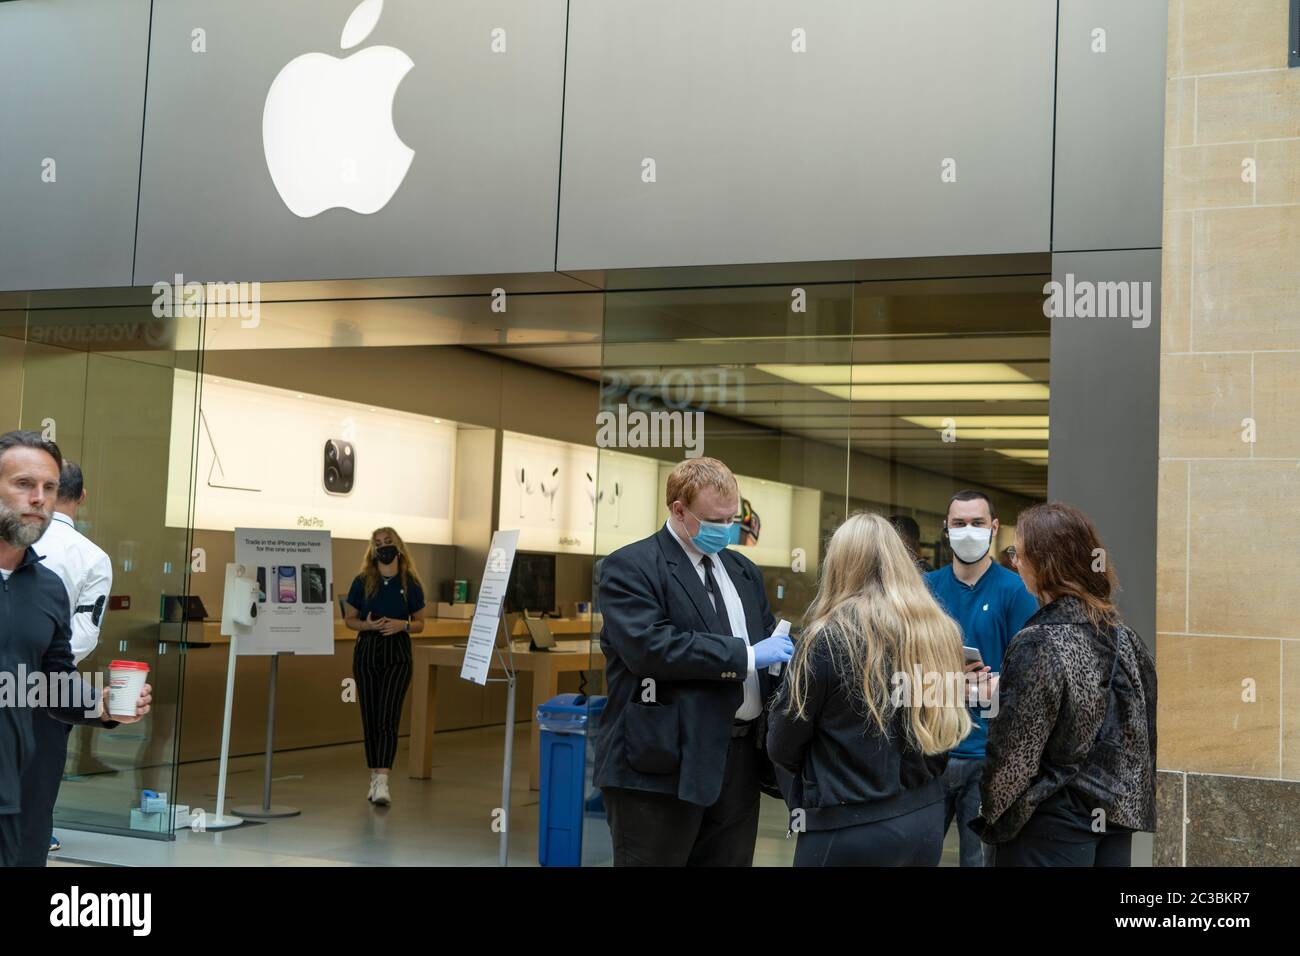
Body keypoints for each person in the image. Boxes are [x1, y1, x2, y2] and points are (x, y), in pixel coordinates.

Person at [594, 457, 793, 866]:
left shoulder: (742, 570)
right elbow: (650, 647)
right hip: (663, 763)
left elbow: (768, 636)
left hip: (736, 759)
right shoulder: (631, 567)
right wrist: (748, 656)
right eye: (713, 520)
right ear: (678, 509)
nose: (725, 528)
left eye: (732, 518)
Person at [766, 513, 970, 866]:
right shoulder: (938, 633)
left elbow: (783, 743)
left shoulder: (827, 638)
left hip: (847, 826)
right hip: (922, 821)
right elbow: (942, 737)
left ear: (839, 566)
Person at [971, 502, 1157, 866]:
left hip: (1049, 824)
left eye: (1018, 553)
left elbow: (1014, 753)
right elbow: (1142, 734)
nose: (1015, 563)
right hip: (1113, 820)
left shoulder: (1039, 641)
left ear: (1044, 563)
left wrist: (994, 815)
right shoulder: (1126, 637)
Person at [0, 431, 151, 867]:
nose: (38, 499)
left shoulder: (46, 588)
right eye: (24, 484)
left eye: (48, 488)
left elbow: (53, 681)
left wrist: (101, 705)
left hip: (20, 789)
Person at [925, 490, 1038, 866]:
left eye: (977, 523)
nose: (968, 532)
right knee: (916, 854)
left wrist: (996, 685)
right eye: (959, 524)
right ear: (946, 528)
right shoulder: (926, 589)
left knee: (978, 861)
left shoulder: (1016, 590)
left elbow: (1030, 673)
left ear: (994, 528)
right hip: (932, 750)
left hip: (988, 754)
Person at [24, 461, 113, 861]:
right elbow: (84, 635)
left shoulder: (17, 545)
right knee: (38, 780)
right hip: (50, 686)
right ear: (82, 495)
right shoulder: (92, 557)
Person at [342, 527, 427, 806]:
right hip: (367, 650)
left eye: (388, 542)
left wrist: (402, 625)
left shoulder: (410, 582)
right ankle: (374, 773)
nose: (383, 547)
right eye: (378, 543)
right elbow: (349, 619)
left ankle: (383, 781)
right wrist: (367, 625)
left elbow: (420, 623)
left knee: (389, 716)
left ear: (398, 546)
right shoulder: (362, 580)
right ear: (372, 549)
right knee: (371, 716)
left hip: (398, 652)